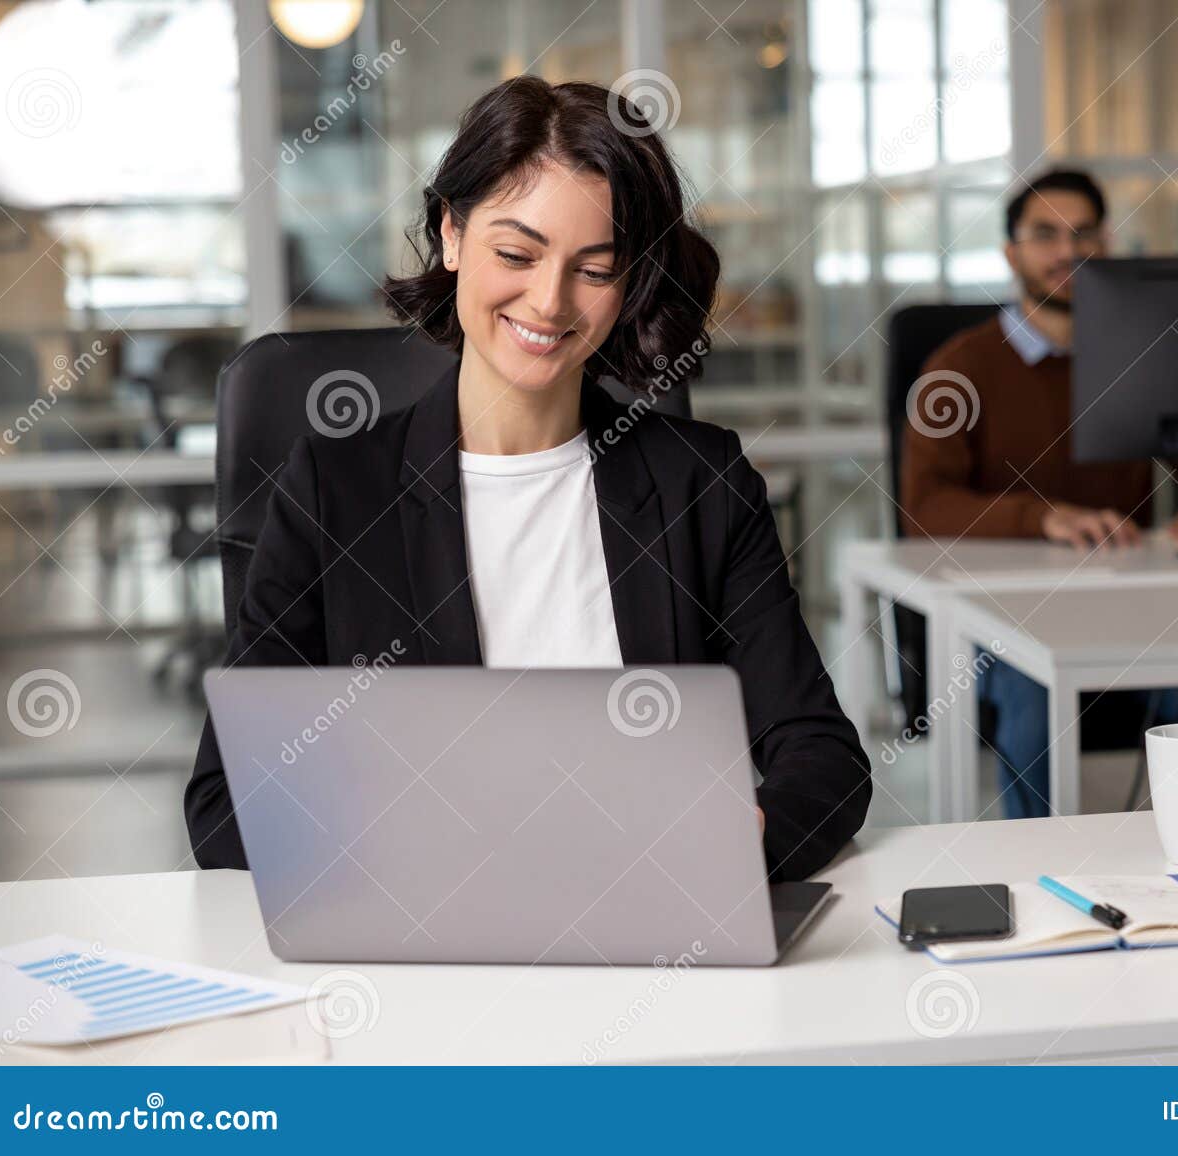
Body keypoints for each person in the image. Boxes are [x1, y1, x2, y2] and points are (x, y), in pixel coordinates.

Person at [185, 76, 870, 881]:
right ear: (450, 233)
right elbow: (228, 803)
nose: (548, 302)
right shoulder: (336, 492)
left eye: (595, 268)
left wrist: (738, 841)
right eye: (517, 253)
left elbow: (822, 760)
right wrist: (428, 856)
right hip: (428, 944)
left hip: (656, 933)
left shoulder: (700, 483)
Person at [899, 168, 1178, 818]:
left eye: (1084, 233)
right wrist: (1042, 518)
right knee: (1034, 702)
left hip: (1127, 613)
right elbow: (924, 507)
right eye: (1045, 235)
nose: (1068, 251)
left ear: (1107, 243)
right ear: (1011, 253)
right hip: (999, 620)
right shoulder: (958, 367)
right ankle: (1043, 880)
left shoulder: (1146, 357)